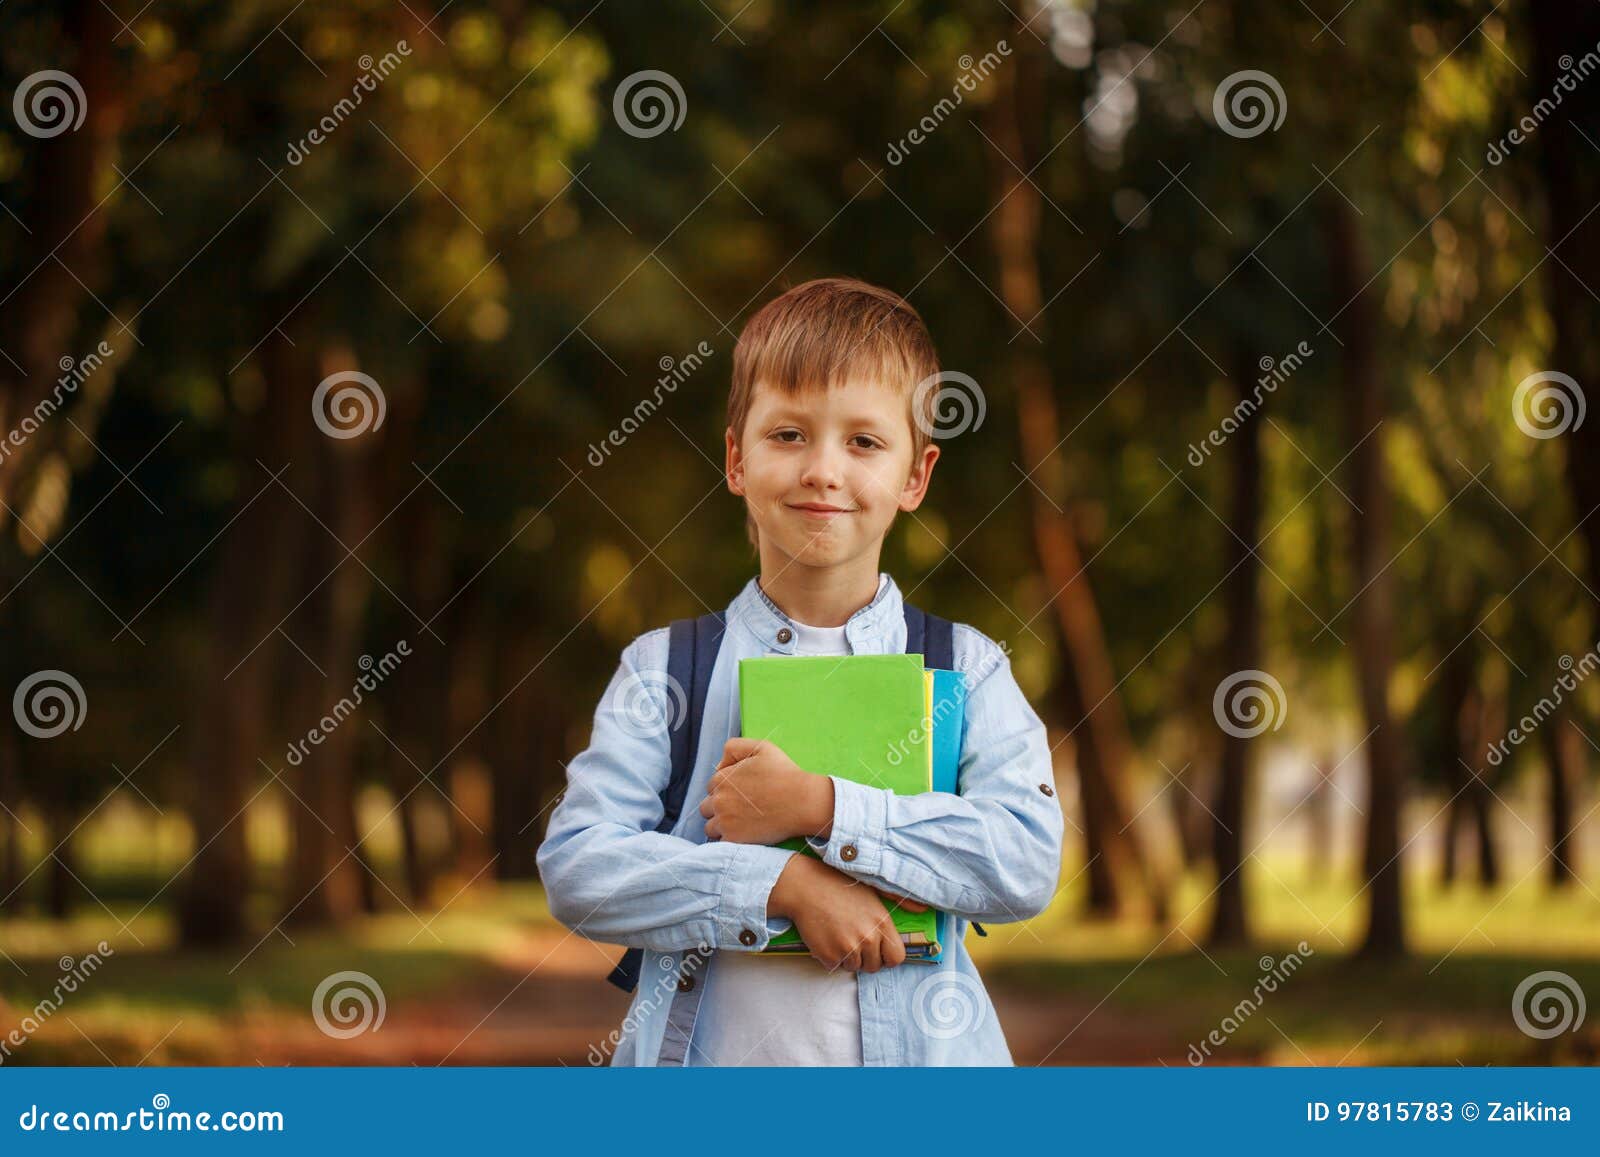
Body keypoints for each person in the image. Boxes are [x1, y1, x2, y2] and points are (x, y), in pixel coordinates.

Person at [537, 276, 1064, 1066]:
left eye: (863, 441)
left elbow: (1023, 861)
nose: (823, 469)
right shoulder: (665, 672)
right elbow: (579, 867)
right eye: (788, 435)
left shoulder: (969, 669)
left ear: (915, 477)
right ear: (735, 459)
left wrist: (824, 808)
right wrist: (780, 883)